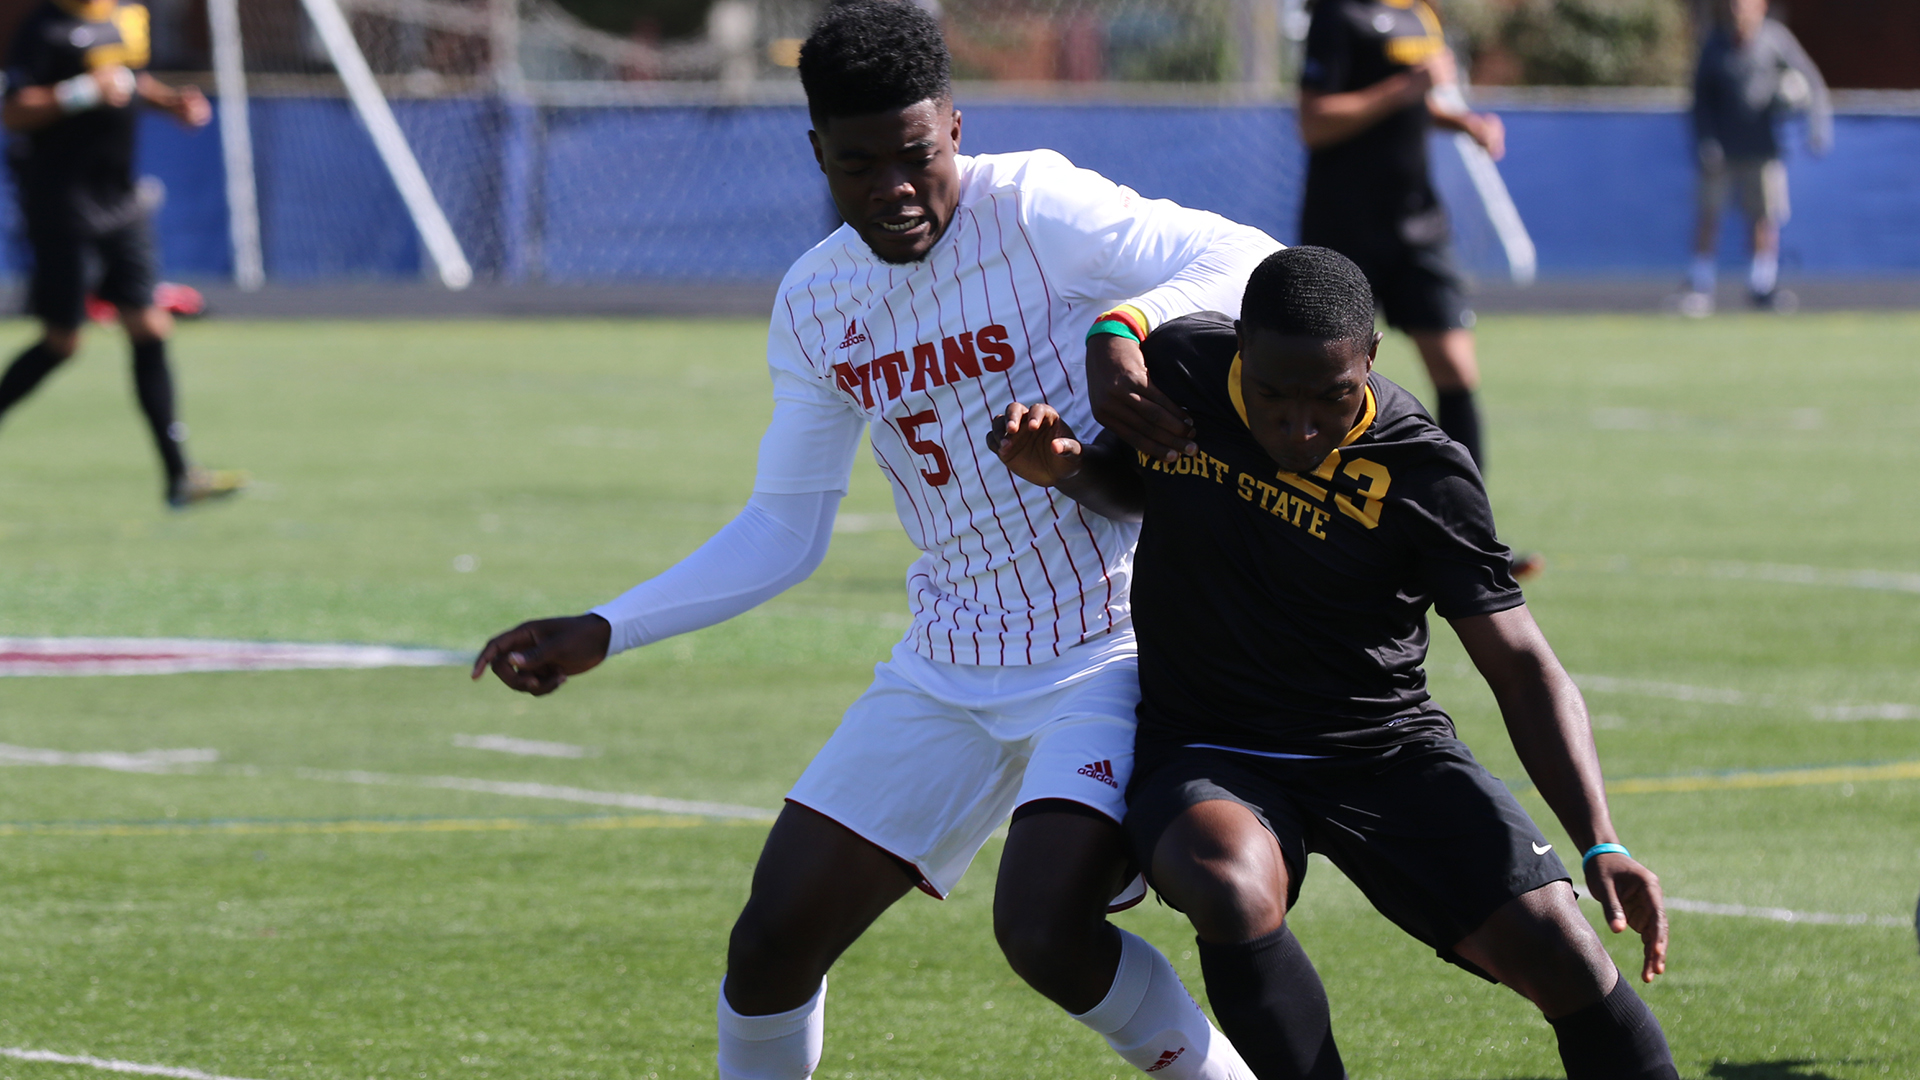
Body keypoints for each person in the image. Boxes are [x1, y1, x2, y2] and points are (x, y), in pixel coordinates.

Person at [473, 4, 1279, 1079]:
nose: (896, 189)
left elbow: (1252, 257)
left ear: (954, 124)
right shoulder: (817, 300)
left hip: (1110, 646)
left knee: (1043, 933)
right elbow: (782, 527)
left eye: (919, 156)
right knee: (769, 947)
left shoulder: (1034, 202)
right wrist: (605, 627)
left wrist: (1117, 326)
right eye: (859, 167)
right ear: (817, 154)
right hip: (947, 664)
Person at [989, 245, 1677, 1079]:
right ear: (1240, 349)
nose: (1300, 425)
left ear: (1371, 361)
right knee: (1227, 884)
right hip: (1210, 744)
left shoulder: (1424, 471)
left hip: (1381, 748)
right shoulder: (1183, 368)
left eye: (1331, 397)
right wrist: (1062, 467)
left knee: (1562, 951)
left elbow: (1523, 664)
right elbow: (1146, 487)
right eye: (1275, 396)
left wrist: (1601, 843)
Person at [0, 0, 242, 508]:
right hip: (63, 204)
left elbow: (132, 80)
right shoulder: (45, 29)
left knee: (151, 326)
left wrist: (170, 102)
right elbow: (15, 112)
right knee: (62, 343)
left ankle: (180, 476)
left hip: (122, 201)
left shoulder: (127, 14)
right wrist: (81, 92)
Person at [1294, 0, 1503, 485]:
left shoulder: (1419, 12)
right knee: (1332, 379)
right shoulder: (1337, 14)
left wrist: (1463, 123)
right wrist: (1407, 86)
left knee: (1456, 367)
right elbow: (1315, 120)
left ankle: (1469, 526)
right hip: (1345, 226)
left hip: (1417, 222)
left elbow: (1414, 101)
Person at [1683, 0, 1831, 316]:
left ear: (1761, 7)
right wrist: (1706, 141)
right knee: (1709, 215)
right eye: (1734, 5)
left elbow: (1811, 81)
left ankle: (1761, 286)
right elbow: (1700, 99)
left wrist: (1816, 126)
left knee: (1763, 218)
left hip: (1763, 148)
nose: (1739, 10)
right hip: (1721, 150)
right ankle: (1700, 286)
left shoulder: (1775, 39)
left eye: (1745, 4)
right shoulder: (1715, 42)